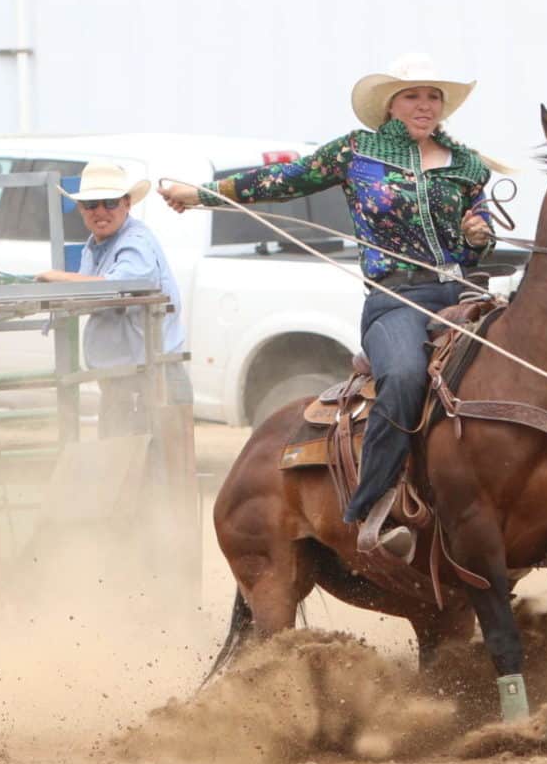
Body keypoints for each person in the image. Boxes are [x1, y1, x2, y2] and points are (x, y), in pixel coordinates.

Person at [160, 53, 495, 561]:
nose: (424, 105)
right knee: (403, 377)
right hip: (396, 298)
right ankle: (373, 508)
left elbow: (478, 232)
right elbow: (283, 181)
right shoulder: (357, 152)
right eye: (412, 95)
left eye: (432, 96)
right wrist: (205, 194)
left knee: (519, 368)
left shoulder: (468, 165)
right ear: (390, 104)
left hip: (462, 293)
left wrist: (478, 235)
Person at [40, 161, 191, 438]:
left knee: (153, 466)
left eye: (109, 203)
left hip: (151, 379)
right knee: (124, 461)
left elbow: (116, 288)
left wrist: (59, 279)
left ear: (126, 203)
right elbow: (92, 294)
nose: (100, 212)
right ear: (82, 210)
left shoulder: (136, 242)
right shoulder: (97, 245)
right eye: (91, 205)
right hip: (126, 379)